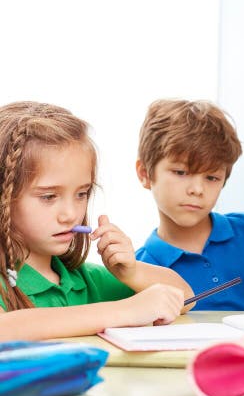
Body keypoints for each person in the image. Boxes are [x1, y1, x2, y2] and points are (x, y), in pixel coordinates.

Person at [0, 101, 193, 341]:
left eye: (81, 194)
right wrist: (126, 310)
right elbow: (5, 329)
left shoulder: (82, 279)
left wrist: (130, 273)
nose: (71, 214)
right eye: (48, 197)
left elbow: (183, 296)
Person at [135, 99, 244, 311]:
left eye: (211, 177)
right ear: (145, 174)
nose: (197, 189)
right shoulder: (140, 267)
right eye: (181, 173)